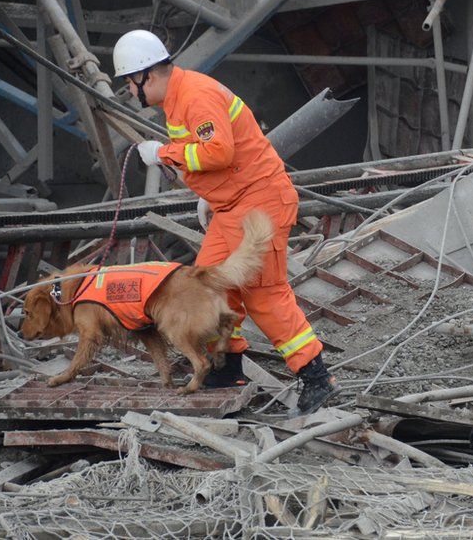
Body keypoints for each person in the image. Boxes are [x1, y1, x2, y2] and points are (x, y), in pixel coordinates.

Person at [112, 29, 339, 416]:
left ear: (144, 75)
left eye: (129, 84)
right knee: (209, 287)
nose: (131, 93)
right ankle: (227, 368)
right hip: (236, 203)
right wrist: (209, 195)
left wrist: (164, 153)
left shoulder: (195, 96)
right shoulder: (179, 98)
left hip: (261, 200)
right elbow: (220, 155)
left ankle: (316, 376)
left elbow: (218, 150)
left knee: (263, 293)